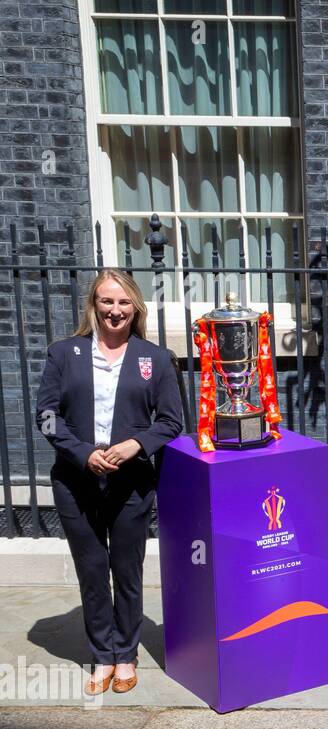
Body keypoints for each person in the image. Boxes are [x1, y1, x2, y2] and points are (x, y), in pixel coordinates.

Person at [35, 269, 183, 696]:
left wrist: (136, 444)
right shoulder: (65, 353)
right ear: (93, 306)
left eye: (123, 302)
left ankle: (126, 655)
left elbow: (171, 422)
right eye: (106, 302)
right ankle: (102, 656)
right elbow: (46, 415)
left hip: (131, 483)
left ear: (135, 306)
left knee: (127, 571)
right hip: (75, 481)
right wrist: (83, 453)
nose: (115, 310)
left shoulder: (153, 358)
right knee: (93, 572)